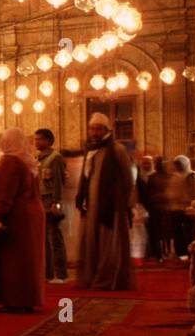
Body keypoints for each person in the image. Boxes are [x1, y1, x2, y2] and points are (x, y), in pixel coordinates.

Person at [76, 112, 137, 290]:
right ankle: (93, 276)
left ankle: (109, 279)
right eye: (92, 128)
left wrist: (128, 204)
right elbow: (85, 177)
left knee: (109, 244)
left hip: (112, 207)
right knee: (92, 242)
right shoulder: (91, 150)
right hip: (93, 205)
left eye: (98, 128)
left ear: (106, 130)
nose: (94, 132)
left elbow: (128, 179)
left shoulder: (117, 150)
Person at [0, 129, 45, 311]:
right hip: (32, 216)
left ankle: (16, 300)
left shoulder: (10, 163)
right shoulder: (27, 162)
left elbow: (5, 194)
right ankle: (27, 299)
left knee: (14, 261)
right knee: (28, 260)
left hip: (17, 218)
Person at [33, 128, 69, 283]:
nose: (36, 142)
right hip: (40, 202)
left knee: (55, 238)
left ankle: (60, 274)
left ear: (48, 141)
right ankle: (48, 274)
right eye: (35, 139)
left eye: (39, 139)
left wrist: (57, 202)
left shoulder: (56, 158)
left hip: (51, 203)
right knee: (44, 240)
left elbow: (58, 184)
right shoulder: (37, 158)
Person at [168, 156, 195, 259]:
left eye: (179, 164)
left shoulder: (191, 176)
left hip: (187, 208)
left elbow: (194, 192)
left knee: (189, 233)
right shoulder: (174, 176)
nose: (178, 166)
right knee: (177, 233)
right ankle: (181, 254)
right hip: (175, 209)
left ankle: (190, 253)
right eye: (176, 164)